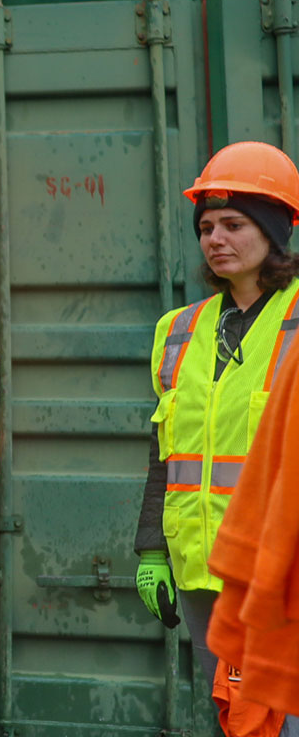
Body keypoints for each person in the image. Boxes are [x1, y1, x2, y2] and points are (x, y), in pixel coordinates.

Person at [135, 140, 299, 733]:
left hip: (284, 575)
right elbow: (164, 454)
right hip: (203, 571)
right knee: (231, 717)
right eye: (206, 227)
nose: (215, 239)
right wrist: (153, 548)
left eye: (234, 224)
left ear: (275, 231)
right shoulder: (178, 331)